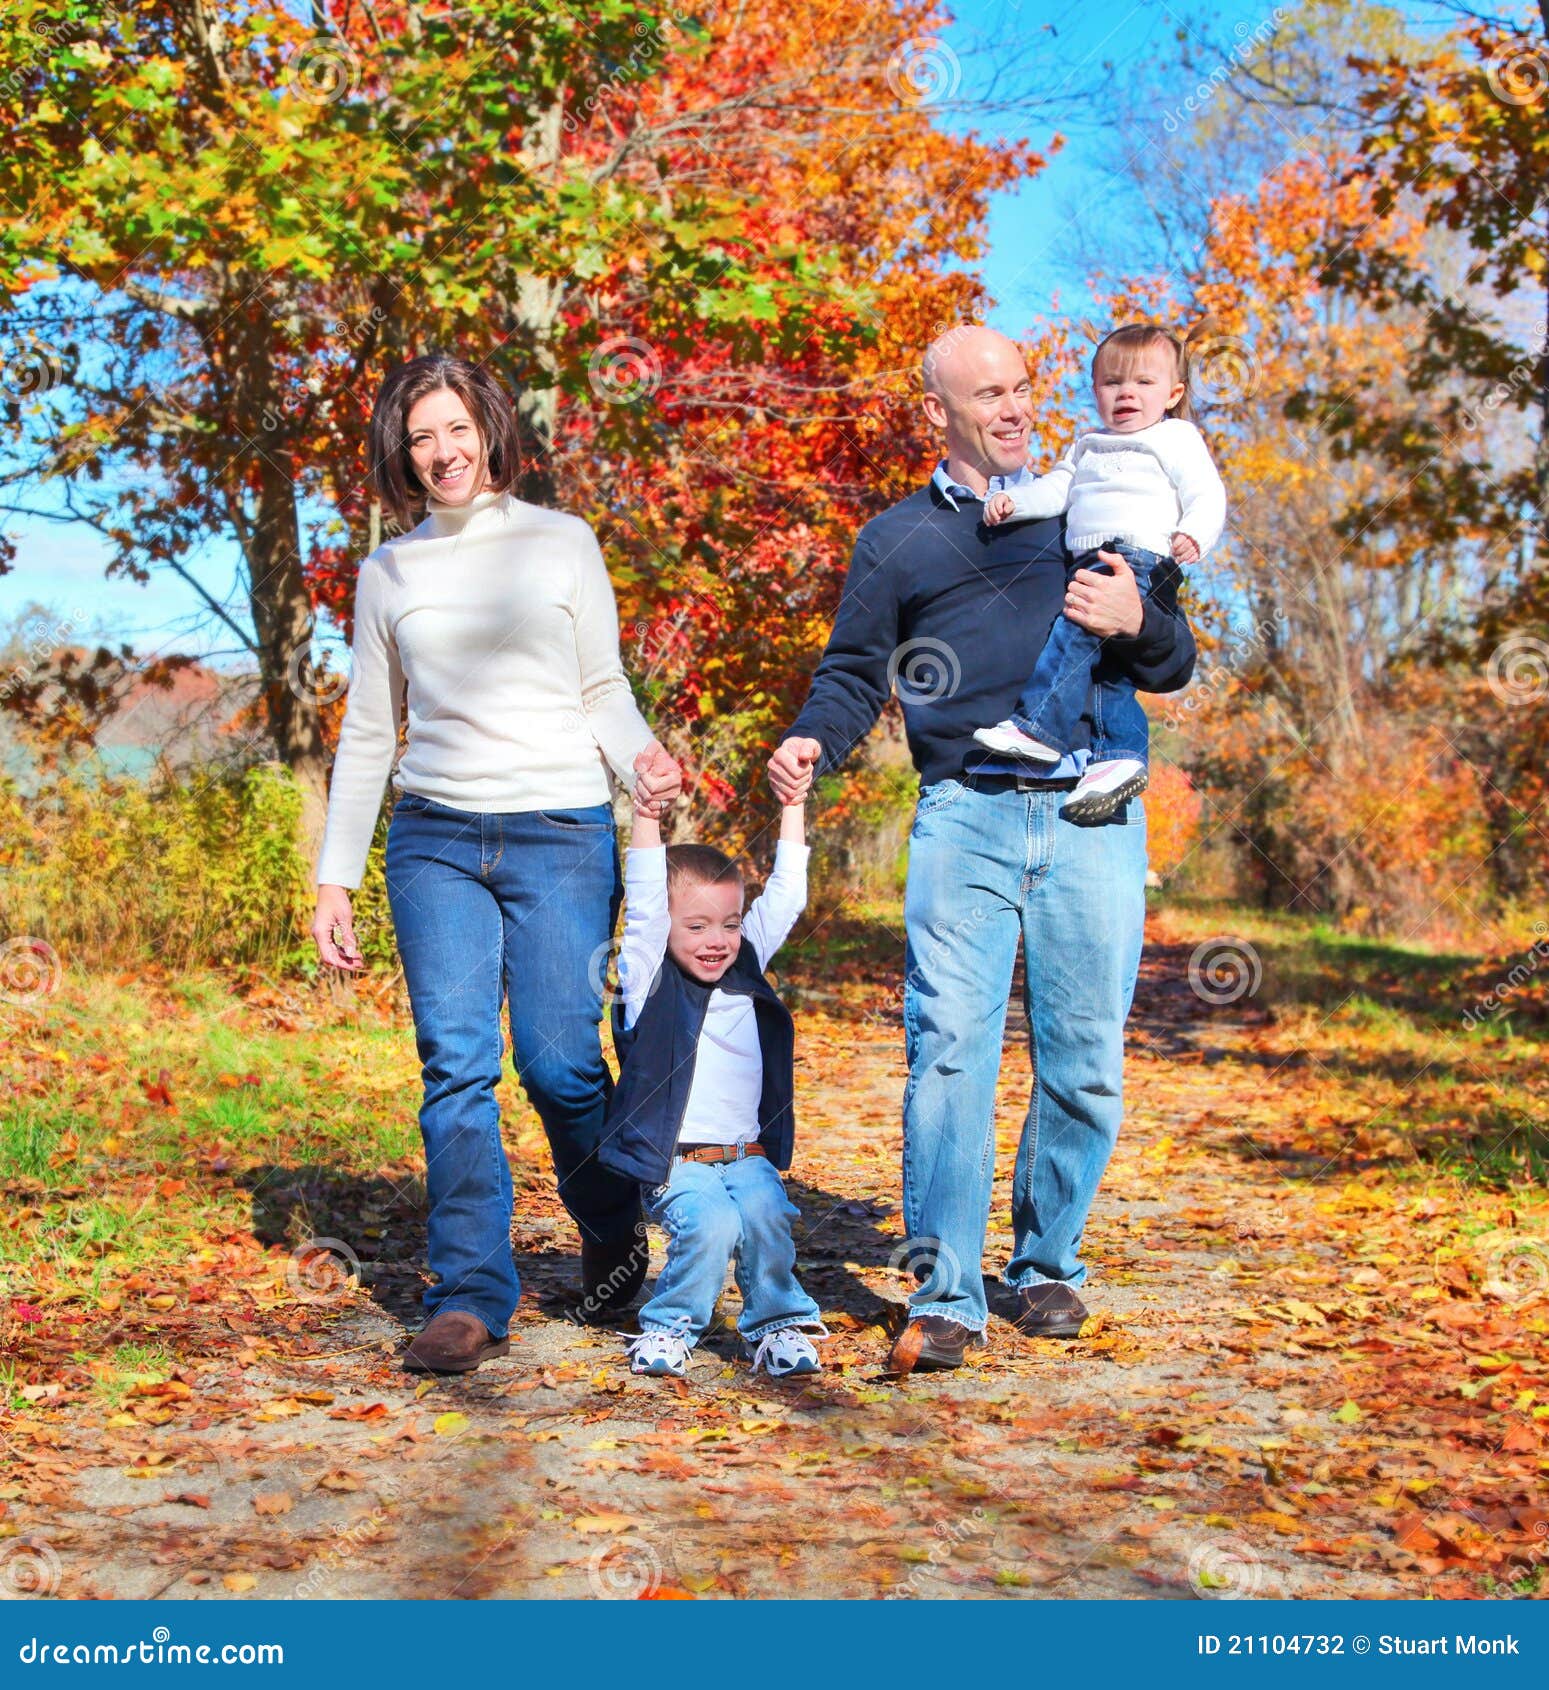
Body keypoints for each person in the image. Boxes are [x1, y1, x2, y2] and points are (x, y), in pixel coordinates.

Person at [768, 325, 1197, 1374]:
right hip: (964, 812)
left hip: (1092, 812)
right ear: (938, 413)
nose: (1014, 409)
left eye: (1021, 389)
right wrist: (813, 736)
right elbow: (853, 670)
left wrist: (1136, 617)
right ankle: (948, 1292)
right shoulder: (897, 539)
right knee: (949, 1052)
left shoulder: (1088, 505)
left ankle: (1045, 1265)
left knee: (1083, 1057)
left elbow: (1171, 660)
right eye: (989, 394)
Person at [310, 353, 681, 1375]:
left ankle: (610, 1227)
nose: (442, 452)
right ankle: (468, 1293)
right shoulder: (389, 573)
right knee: (456, 1064)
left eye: (456, 429)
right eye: (420, 437)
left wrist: (641, 758)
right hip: (434, 837)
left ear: (489, 431)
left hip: (559, 829)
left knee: (560, 1065)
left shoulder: (562, 543)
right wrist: (336, 875)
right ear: (401, 454)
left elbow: (601, 687)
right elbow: (370, 730)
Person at [597, 796, 826, 1380]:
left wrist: (793, 803)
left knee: (768, 1215)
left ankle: (777, 1324)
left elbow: (787, 895)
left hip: (747, 1154)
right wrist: (646, 811)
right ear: (668, 927)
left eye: (730, 924)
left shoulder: (745, 965)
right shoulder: (647, 979)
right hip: (675, 1160)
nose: (716, 940)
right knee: (711, 1224)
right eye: (696, 926)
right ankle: (669, 1327)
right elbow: (645, 903)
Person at [972, 323, 1226, 821]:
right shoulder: (1087, 445)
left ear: (1174, 394)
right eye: (1112, 382)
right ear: (1095, 391)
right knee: (1107, 668)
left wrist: (1195, 533)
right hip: (1090, 557)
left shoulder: (1175, 437)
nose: (1126, 392)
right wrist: (1014, 501)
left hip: (1133, 557)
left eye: (1143, 382)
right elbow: (1056, 490)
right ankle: (1118, 757)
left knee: (1073, 632)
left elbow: (1206, 493)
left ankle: (1038, 729)